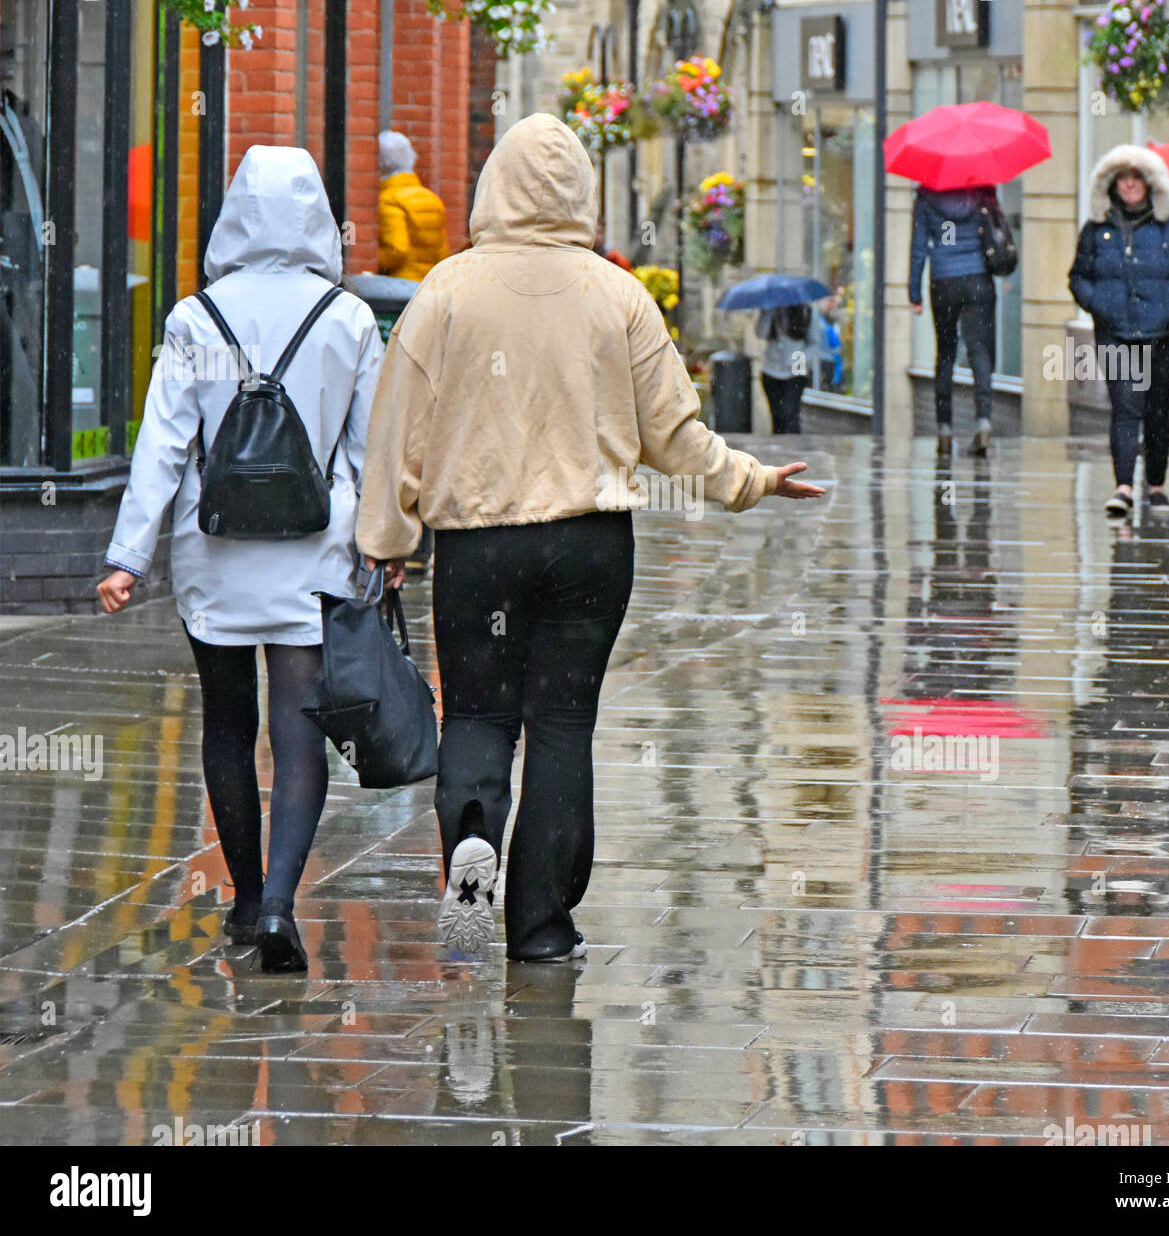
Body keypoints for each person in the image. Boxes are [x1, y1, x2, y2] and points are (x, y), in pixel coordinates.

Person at [355, 113, 824, 964]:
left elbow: (397, 431)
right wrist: (750, 479)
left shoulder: (447, 291)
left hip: (479, 544)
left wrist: (387, 537)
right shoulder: (618, 294)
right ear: (581, 192)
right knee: (564, 725)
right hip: (590, 545)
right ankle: (542, 926)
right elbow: (676, 436)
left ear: (493, 184)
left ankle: (472, 847)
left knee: (480, 715)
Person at [97, 146, 384, 973]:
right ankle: (285, 907)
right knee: (300, 727)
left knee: (228, 723)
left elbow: (161, 446)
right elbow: (370, 452)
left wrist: (128, 556)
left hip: (213, 551)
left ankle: (248, 897)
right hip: (314, 549)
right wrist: (381, 544)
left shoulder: (195, 317)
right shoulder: (348, 317)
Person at [1068, 144, 1169, 518]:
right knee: (1124, 408)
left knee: (1156, 410)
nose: (1130, 185)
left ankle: (1155, 484)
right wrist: (1100, 303)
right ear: (1112, 184)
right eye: (1123, 178)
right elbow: (1078, 277)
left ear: (1150, 184)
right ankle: (1122, 488)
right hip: (1116, 332)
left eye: (1137, 177)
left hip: (1167, 335)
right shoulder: (1096, 230)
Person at [908, 182, 1002, 457]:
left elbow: (918, 248)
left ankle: (945, 429)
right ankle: (984, 421)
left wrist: (914, 292)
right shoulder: (981, 190)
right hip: (978, 278)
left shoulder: (926, 197)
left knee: (946, 352)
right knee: (979, 352)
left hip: (944, 280)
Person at [378, 130, 450, 281]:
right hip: (428, 285)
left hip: (398, 289)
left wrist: (371, 260)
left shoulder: (388, 199)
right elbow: (441, 252)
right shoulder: (431, 199)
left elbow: (396, 250)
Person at [758, 301, 812, 433]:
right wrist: (768, 313)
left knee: (790, 414)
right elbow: (761, 333)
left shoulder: (806, 310)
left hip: (795, 370)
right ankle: (780, 449)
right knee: (777, 417)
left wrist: (800, 359)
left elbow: (814, 342)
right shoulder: (770, 309)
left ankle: (794, 449)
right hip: (771, 369)